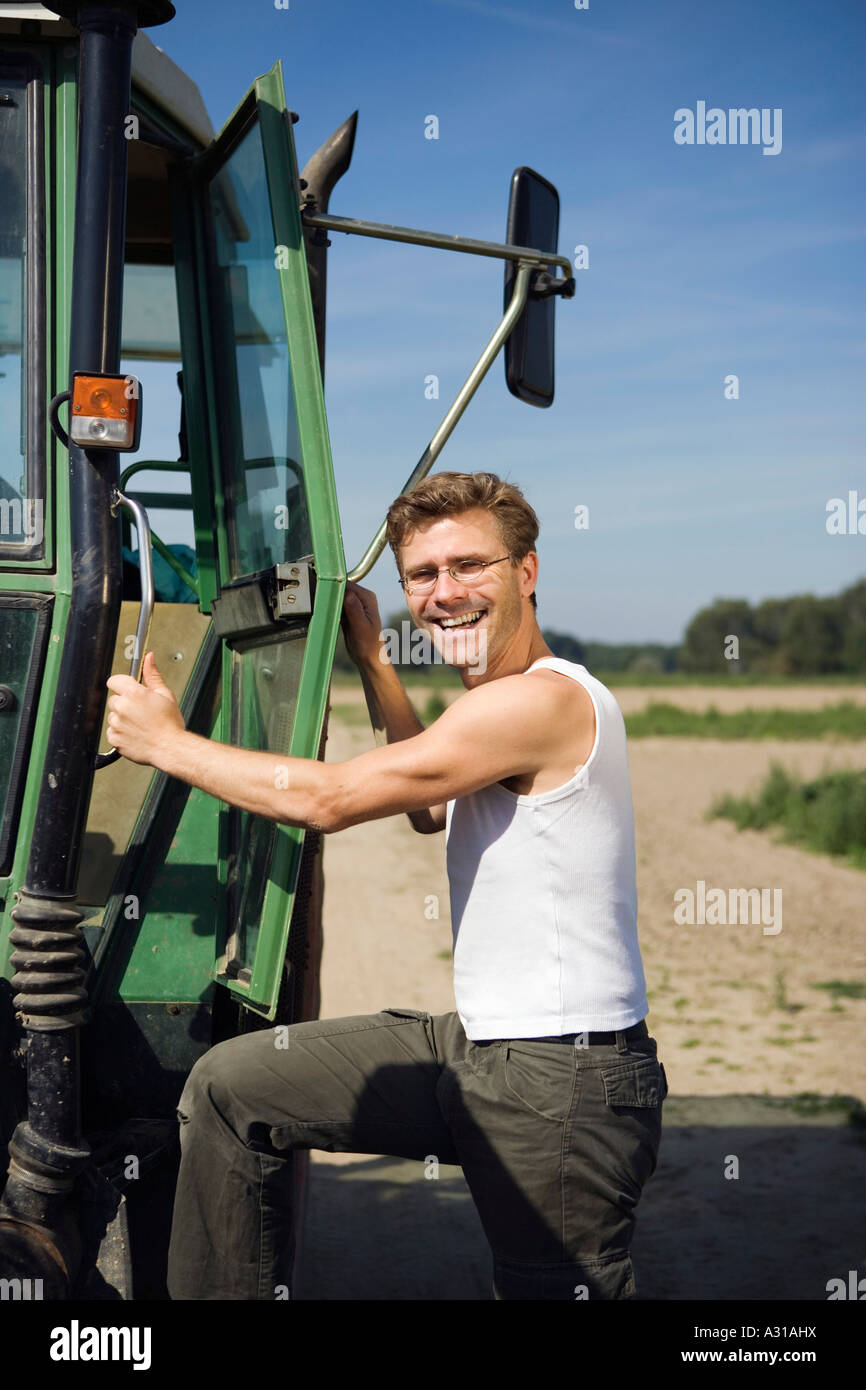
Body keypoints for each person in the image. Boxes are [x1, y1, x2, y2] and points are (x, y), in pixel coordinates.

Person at [105, 470, 667, 1301]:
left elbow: (329, 801)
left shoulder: (542, 703)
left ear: (528, 572)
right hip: (479, 1045)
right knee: (231, 1088)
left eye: (470, 566)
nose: (445, 594)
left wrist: (169, 745)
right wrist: (372, 658)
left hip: (563, 1078)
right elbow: (432, 809)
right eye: (422, 576)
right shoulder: (498, 709)